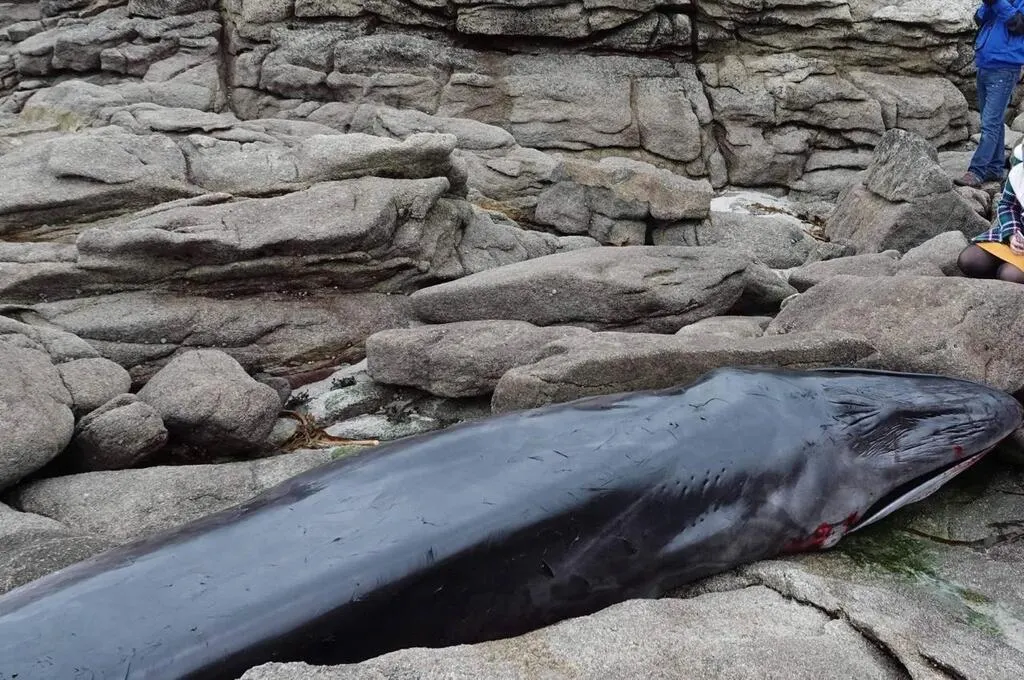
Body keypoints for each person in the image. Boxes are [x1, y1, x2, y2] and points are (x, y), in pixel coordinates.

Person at [955, 0, 1024, 189]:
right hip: (985, 65)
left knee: (989, 124)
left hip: (1005, 68)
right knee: (992, 120)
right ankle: (994, 168)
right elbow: (978, 19)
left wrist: (998, 2)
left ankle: (976, 171)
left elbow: (1019, 25)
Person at [958, 142, 1024, 282]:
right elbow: (1008, 205)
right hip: (1020, 236)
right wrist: (1012, 234)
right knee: (969, 260)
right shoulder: (1019, 173)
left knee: (1009, 275)